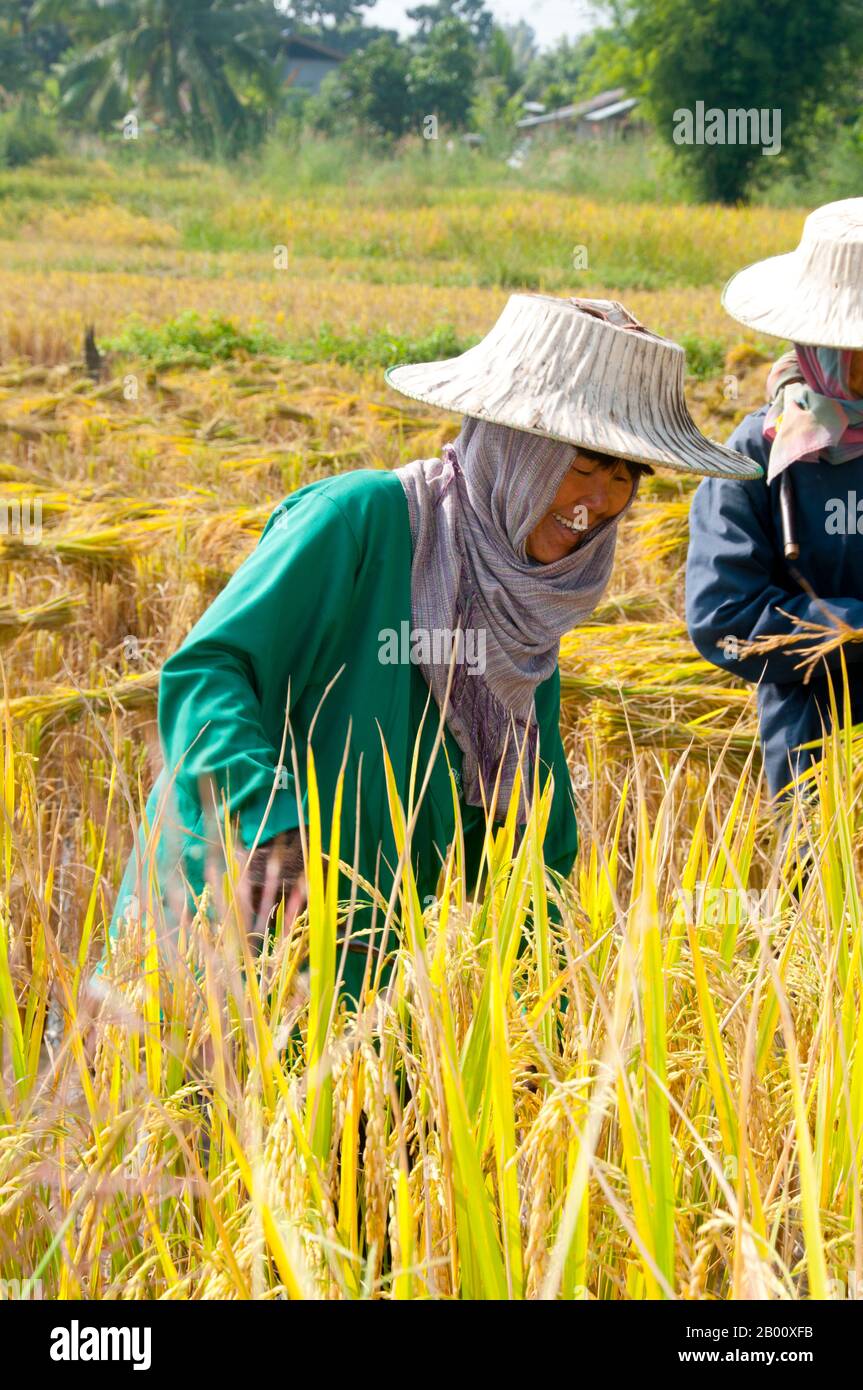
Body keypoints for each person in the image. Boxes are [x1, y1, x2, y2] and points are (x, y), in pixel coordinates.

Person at [106, 294, 757, 1007]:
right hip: (240, 916)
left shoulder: (525, 614)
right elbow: (212, 671)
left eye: (624, 476)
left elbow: (533, 825)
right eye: (583, 464)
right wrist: (268, 822)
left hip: (374, 973)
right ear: (516, 443)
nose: (598, 500)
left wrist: (546, 1000)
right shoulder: (357, 523)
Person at [686, 199, 863, 803]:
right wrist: (852, 630)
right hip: (818, 760)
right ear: (819, 347)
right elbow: (723, 618)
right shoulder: (761, 455)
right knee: (823, 895)